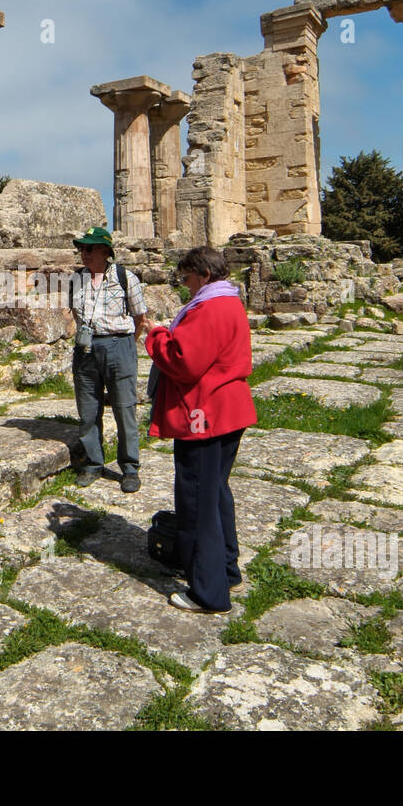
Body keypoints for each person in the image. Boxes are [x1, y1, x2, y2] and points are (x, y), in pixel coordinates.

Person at [143, 246, 257, 613]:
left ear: (204, 274)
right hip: (228, 410)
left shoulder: (210, 307)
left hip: (204, 415)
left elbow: (185, 361)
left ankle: (208, 593)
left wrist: (156, 336)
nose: (186, 286)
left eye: (188, 278)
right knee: (216, 494)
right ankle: (227, 570)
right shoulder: (230, 302)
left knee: (196, 502)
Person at [68, 226, 148, 492]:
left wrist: (124, 347)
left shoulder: (126, 278)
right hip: (86, 349)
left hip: (118, 346)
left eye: (89, 248)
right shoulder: (76, 279)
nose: (84, 253)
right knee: (88, 410)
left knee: (124, 409)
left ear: (105, 251)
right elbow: (75, 313)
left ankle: (129, 467)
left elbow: (140, 319)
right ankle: (93, 463)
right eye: (81, 248)